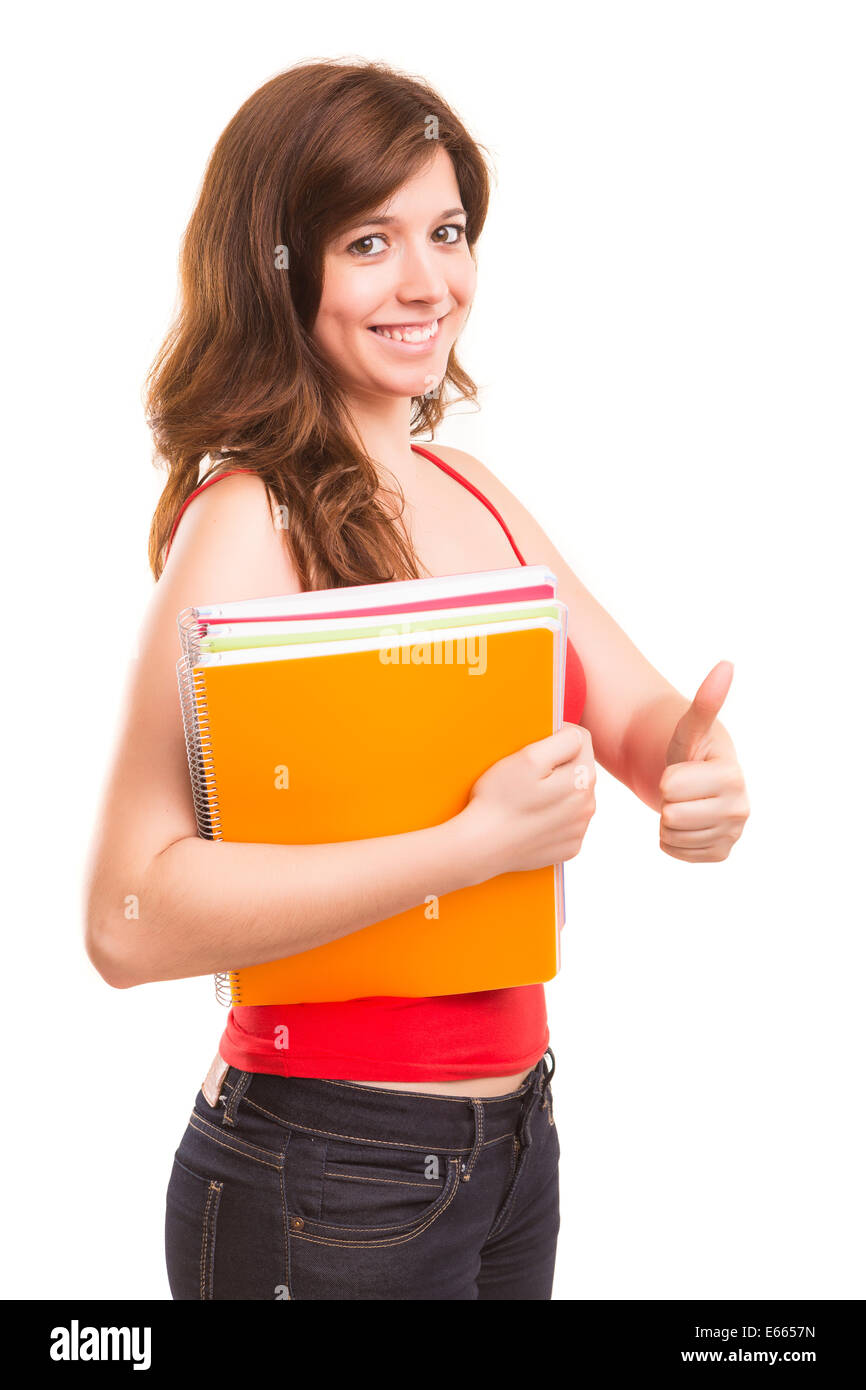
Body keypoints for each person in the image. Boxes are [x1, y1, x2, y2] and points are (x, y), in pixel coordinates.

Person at [83, 59, 750, 1301]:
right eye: (367, 241)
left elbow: (644, 716)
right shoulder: (245, 521)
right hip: (327, 1167)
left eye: (445, 232)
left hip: (509, 1151)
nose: (425, 281)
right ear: (278, 267)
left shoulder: (475, 494)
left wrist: (694, 770)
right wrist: (470, 844)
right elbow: (125, 918)